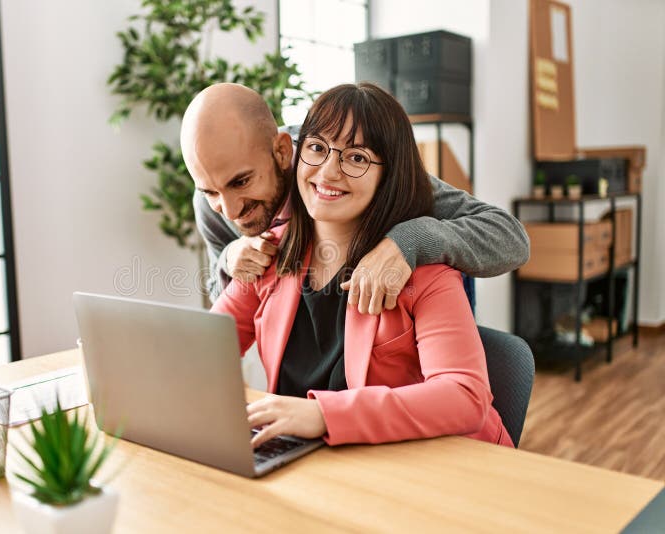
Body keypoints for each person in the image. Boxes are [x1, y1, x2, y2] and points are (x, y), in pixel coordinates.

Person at [208, 83, 514, 448]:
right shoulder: (269, 253)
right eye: (317, 148)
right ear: (295, 156)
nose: (328, 172)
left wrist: (323, 415)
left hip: (440, 467)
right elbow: (203, 349)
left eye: (356, 158)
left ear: (389, 174)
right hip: (319, 466)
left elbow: (465, 397)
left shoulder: (422, 269)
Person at [180, 83, 529, 312]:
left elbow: (511, 238)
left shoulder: (358, 172)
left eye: (242, 182)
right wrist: (228, 260)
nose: (230, 210)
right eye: (209, 191)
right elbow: (222, 305)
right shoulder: (214, 206)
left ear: (283, 152)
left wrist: (410, 238)